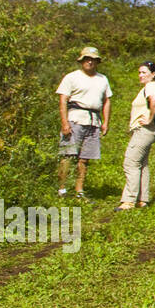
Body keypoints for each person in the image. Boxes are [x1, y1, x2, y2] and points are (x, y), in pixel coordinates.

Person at [55, 47, 112, 200]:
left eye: (93, 59)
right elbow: (63, 100)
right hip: (75, 119)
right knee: (68, 155)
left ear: (97, 61)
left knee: (85, 158)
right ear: (81, 60)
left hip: (93, 122)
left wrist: (105, 122)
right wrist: (64, 123)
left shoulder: (103, 79)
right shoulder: (72, 77)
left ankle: (79, 191)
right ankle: (62, 190)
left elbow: (107, 101)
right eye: (87, 58)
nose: (90, 61)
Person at [118, 62, 155, 211]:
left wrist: (149, 118)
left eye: (144, 72)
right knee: (141, 164)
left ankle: (128, 201)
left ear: (153, 74)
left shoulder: (151, 86)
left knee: (130, 163)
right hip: (148, 130)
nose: (141, 75)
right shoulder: (152, 86)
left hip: (145, 130)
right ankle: (142, 200)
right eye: (139, 72)